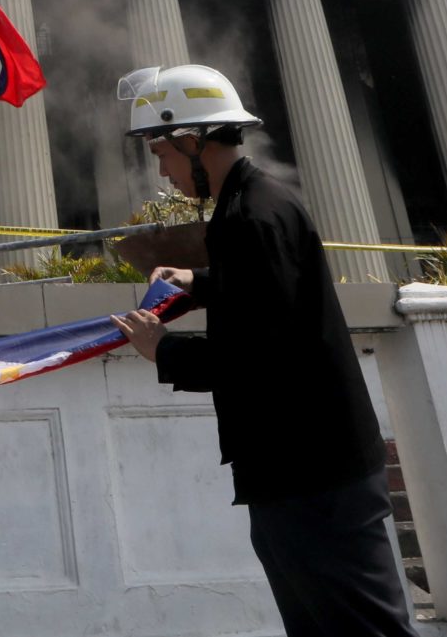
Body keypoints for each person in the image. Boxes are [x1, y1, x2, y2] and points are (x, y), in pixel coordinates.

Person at [110, 65, 416, 637]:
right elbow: (267, 297)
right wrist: (200, 281)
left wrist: (163, 350)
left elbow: (262, 355)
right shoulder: (248, 206)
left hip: (313, 474)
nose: (163, 172)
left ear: (192, 140)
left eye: (163, 154)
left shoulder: (253, 215)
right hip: (296, 468)